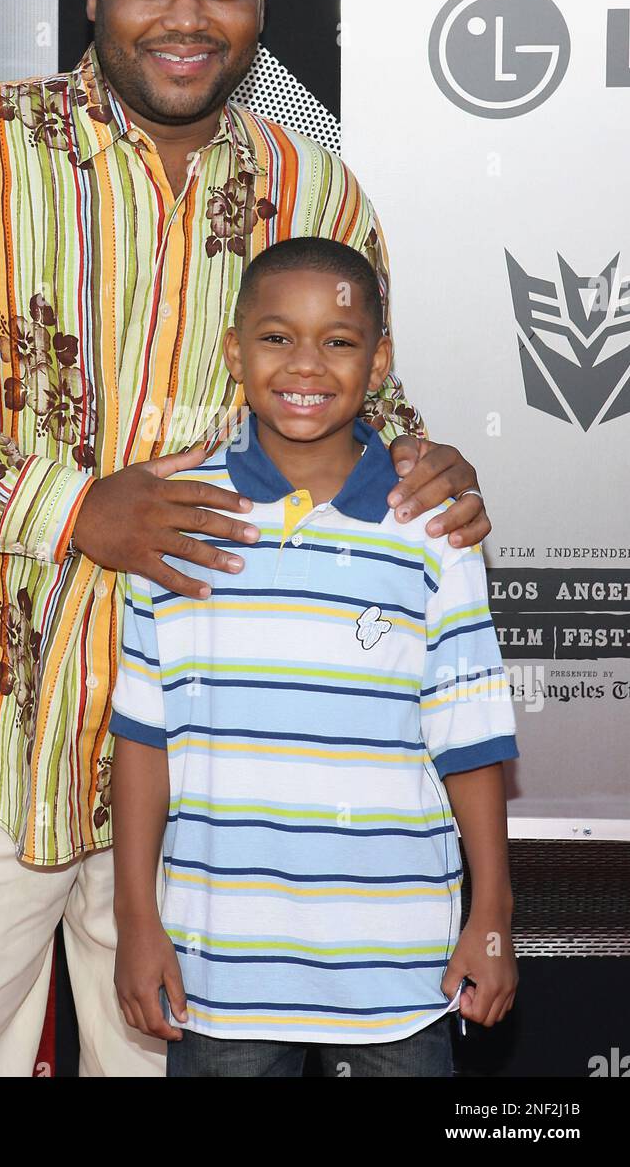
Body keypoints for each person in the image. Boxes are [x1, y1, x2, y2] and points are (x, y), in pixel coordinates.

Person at [0, 0, 492, 1077]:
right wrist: (67, 508)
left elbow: (363, 398)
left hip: (215, 765)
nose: (185, 18)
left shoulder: (312, 181)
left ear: (261, 2)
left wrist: (424, 461)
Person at [109, 238, 519, 1078]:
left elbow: (470, 742)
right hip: (220, 968)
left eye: (337, 340)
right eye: (275, 337)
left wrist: (493, 916)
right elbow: (143, 740)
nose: (307, 364)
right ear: (234, 352)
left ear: (379, 360)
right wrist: (137, 923)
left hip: (397, 965)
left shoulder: (432, 527)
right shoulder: (176, 519)